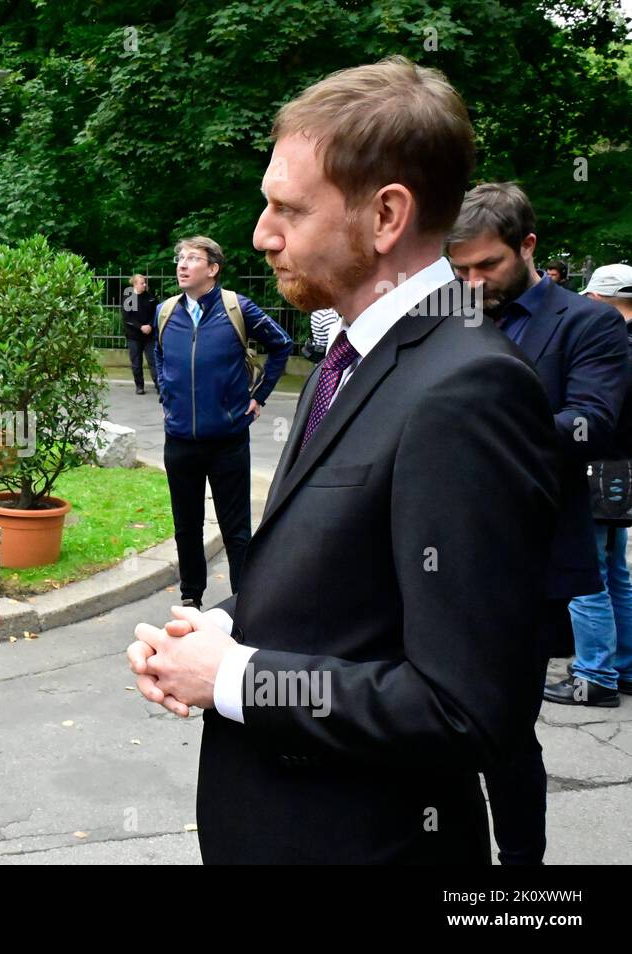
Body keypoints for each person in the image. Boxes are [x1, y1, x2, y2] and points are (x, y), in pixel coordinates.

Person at [128, 56, 561, 864]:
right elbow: (349, 586)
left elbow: (464, 706)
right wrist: (220, 625)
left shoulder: (467, 389)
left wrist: (235, 678)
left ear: (387, 215)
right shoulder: (354, 355)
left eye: (289, 208)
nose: (262, 233)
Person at [447, 184, 628, 864]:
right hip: (439, 554)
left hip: (527, 563)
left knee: (505, 731)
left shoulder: (586, 323)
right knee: (433, 723)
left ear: (527, 246)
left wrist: (479, 431)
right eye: (460, 268)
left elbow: (592, 423)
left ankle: (522, 874)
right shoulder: (449, 313)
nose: (473, 282)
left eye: (487, 265)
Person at [155, 235, 292, 609]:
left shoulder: (237, 308)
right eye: (180, 258)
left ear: (213, 269)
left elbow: (282, 344)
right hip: (179, 440)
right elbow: (158, 355)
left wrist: (258, 395)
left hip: (227, 441)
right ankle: (191, 598)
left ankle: (243, 604)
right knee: (186, 527)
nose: (182, 265)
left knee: (236, 530)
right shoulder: (166, 311)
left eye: (192, 259)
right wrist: (167, 395)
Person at [566, 263, 632, 703]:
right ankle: (623, 667)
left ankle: (596, 674)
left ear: (595, 298)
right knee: (615, 571)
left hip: (595, 467)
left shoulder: (607, 343)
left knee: (587, 576)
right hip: (621, 468)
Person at [122, 274, 159, 394]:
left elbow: (156, 314)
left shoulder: (150, 298)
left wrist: (150, 325)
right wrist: (140, 327)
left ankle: (159, 385)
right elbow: (127, 318)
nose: (145, 285)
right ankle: (139, 386)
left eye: (145, 283)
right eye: (142, 283)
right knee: (136, 362)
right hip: (134, 336)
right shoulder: (129, 298)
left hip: (149, 335)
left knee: (153, 361)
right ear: (135, 284)